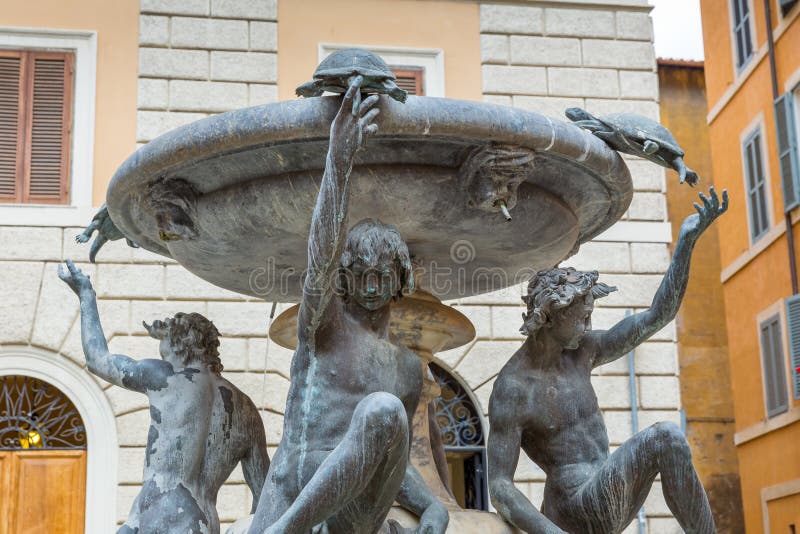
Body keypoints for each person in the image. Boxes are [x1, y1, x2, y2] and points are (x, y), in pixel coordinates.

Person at [248, 77, 448, 534]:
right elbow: (320, 256)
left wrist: (433, 508)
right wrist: (338, 161)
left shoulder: (405, 367)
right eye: (363, 275)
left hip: (353, 511)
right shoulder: (326, 324)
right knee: (382, 409)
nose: (374, 286)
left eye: (384, 276)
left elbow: (391, 457)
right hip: (297, 486)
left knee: (383, 411)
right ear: (347, 276)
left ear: (401, 279)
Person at [488, 188, 728, 534]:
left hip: (606, 494)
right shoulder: (514, 387)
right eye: (582, 319)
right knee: (667, 438)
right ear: (551, 317)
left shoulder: (582, 352)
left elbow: (655, 317)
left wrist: (686, 244)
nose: (588, 327)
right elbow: (500, 487)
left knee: (667, 442)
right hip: (573, 506)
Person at [58, 260, 269, 534]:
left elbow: (98, 359)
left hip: (160, 515)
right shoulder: (246, 410)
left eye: (164, 348)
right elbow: (265, 497)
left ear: (181, 344)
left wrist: (86, 295)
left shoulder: (166, 378)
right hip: (203, 522)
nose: (162, 355)